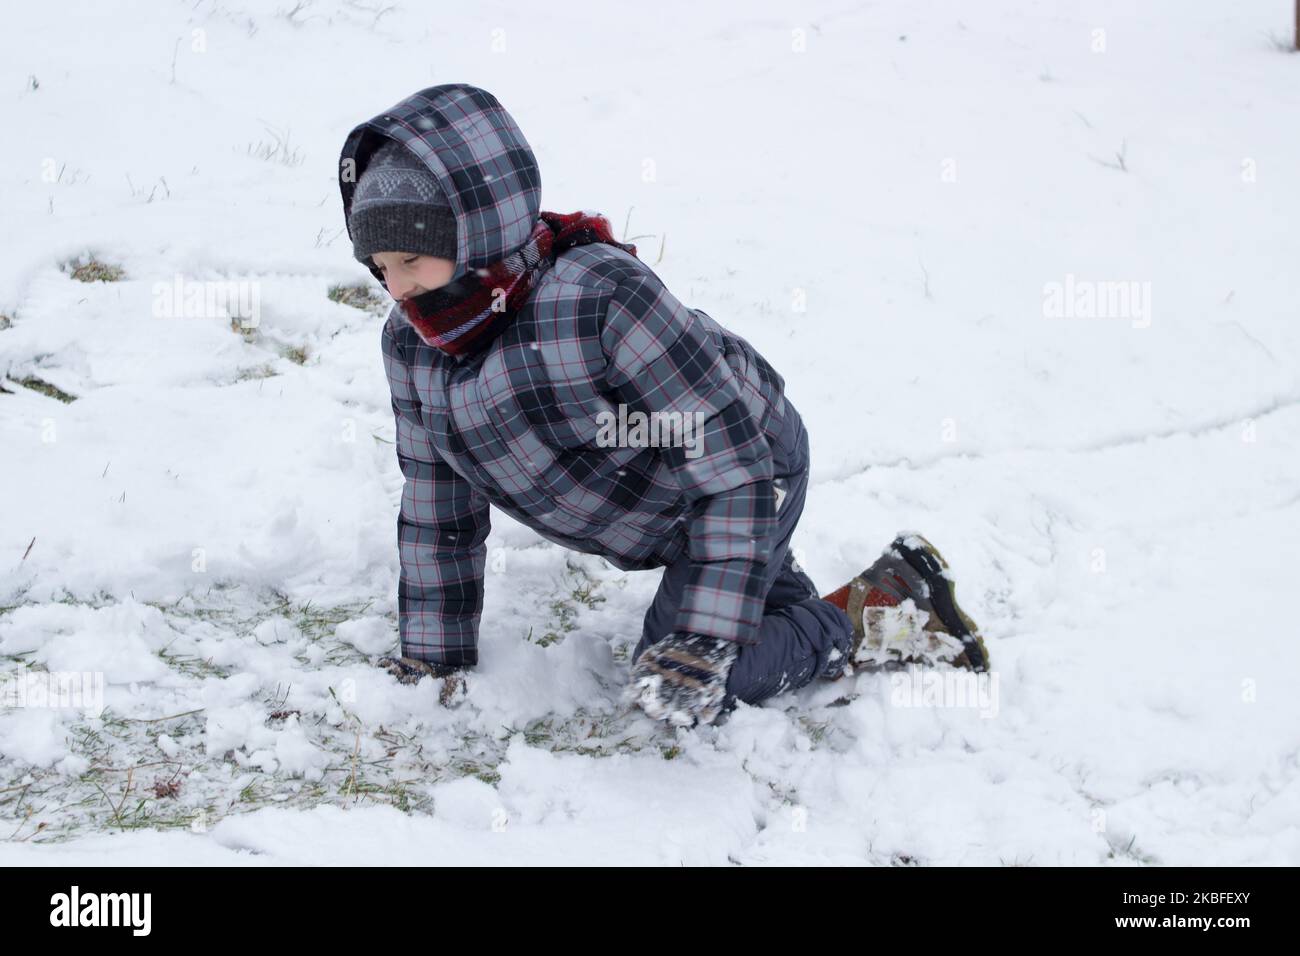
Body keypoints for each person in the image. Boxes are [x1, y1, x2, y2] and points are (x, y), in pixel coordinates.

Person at [337, 84, 989, 728]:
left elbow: (729, 460)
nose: (396, 287)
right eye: (381, 263)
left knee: (686, 675)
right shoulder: (412, 345)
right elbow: (436, 505)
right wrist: (434, 656)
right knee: (734, 596)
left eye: (413, 258)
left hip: (751, 467)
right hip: (662, 510)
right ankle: (787, 586)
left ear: (477, 231)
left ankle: (884, 613)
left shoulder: (597, 299)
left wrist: (701, 641)